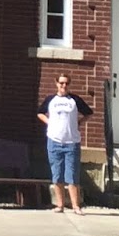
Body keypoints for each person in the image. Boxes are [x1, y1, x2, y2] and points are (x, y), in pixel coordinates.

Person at [37, 73, 91, 212]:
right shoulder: (50, 100)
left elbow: (89, 113)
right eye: (61, 83)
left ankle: (75, 206)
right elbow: (40, 112)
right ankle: (59, 205)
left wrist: (79, 122)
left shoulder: (74, 100)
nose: (64, 86)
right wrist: (49, 122)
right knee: (57, 173)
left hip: (71, 142)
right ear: (56, 83)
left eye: (66, 83)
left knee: (72, 175)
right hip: (54, 141)